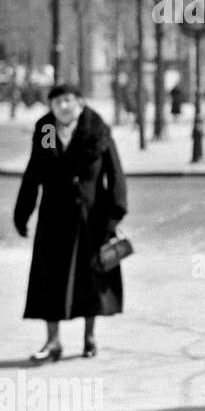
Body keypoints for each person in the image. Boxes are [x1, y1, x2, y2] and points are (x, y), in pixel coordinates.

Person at [13, 83, 127, 362]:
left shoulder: (95, 129)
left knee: (90, 279)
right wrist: (23, 212)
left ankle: (89, 337)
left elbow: (115, 174)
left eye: (67, 100)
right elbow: (36, 170)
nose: (62, 106)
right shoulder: (48, 131)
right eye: (56, 102)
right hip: (54, 216)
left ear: (79, 102)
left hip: (92, 217)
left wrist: (115, 214)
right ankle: (53, 341)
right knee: (49, 278)